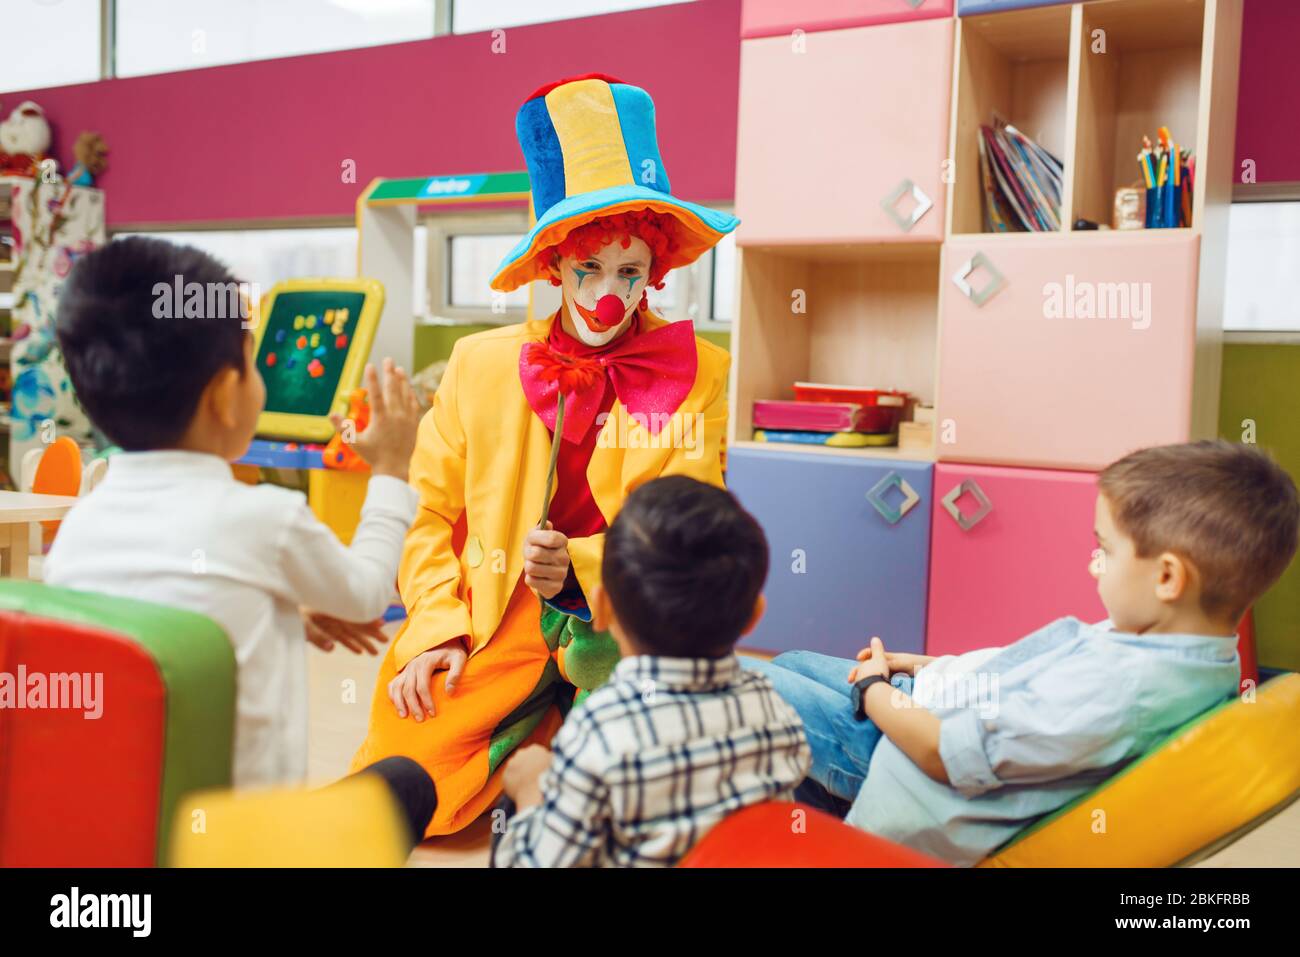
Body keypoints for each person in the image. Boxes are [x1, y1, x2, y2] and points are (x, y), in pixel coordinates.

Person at [349, 74, 739, 838]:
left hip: (624, 612)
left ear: (655, 270)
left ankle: (552, 748)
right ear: (554, 266)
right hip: (497, 613)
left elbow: (690, 536)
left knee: (646, 788)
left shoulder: (702, 374)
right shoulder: (478, 364)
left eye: (629, 272)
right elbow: (429, 513)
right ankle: (530, 745)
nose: (607, 296)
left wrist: (586, 565)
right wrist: (437, 629)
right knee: (407, 770)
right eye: (587, 269)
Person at [747, 440, 1300, 865]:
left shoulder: (1118, 692)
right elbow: (1018, 670)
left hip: (907, 760)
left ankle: (834, 839)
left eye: (1104, 550)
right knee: (794, 661)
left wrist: (874, 691)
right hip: (927, 705)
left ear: (1168, 577)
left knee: (753, 689)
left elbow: (944, 754)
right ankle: (821, 822)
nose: (1093, 564)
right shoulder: (1176, 643)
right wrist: (915, 667)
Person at [46, 236, 423, 789]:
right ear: (224, 396)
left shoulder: (80, 529)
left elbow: (157, 630)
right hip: (248, 839)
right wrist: (391, 470)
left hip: (129, 828)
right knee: (407, 783)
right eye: (254, 360)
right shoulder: (268, 518)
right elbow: (368, 592)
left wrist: (277, 612)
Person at [491, 475, 810, 867]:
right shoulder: (775, 710)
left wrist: (530, 795)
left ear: (602, 608)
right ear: (754, 617)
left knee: (512, 808)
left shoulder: (599, 730)